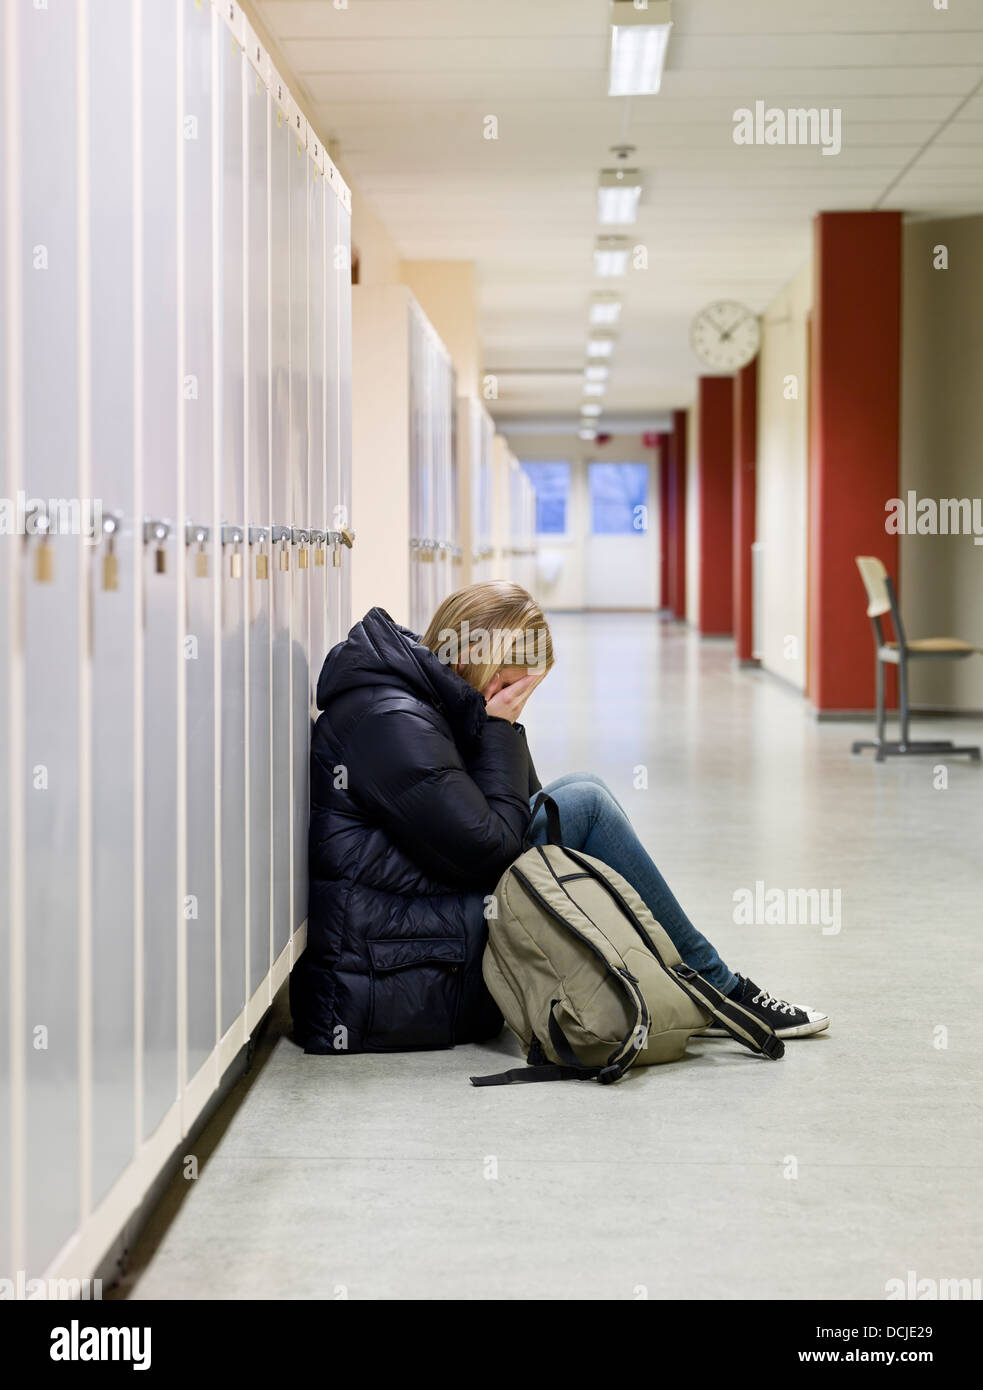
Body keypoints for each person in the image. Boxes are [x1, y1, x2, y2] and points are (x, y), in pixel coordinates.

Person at [290, 581, 829, 1056]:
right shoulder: (393, 721)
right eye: (513, 684)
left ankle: (692, 982)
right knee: (584, 804)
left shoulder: (420, 698)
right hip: (384, 970)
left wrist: (492, 725)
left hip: (414, 922)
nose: (515, 699)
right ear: (480, 658)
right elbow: (495, 850)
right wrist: (498, 728)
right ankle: (717, 989)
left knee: (579, 790)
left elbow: (522, 804)